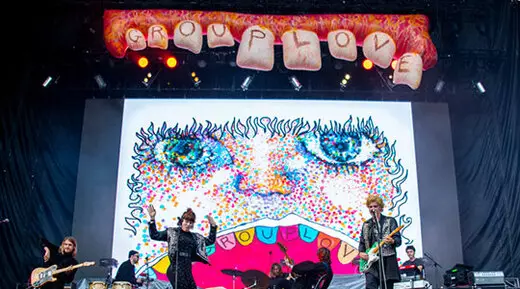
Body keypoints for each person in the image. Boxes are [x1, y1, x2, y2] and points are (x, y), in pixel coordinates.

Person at [147, 205, 217, 289]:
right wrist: (152, 219)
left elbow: (210, 241)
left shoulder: (195, 237)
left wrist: (213, 226)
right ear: (182, 221)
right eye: (186, 221)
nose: (188, 224)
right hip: (175, 268)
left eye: (190, 222)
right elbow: (155, 235)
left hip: (187, 269)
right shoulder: (172, 232)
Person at [358, 194, 402, 289]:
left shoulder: (390, 221)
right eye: (370, 207)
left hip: (387, 261)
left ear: (381, 208)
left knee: (387, 286)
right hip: (371, 262)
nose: (372, 208)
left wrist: (392, 240)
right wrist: (361, 252)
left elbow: (398, 241)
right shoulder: (366, 224)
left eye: (375, 206)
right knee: (370, 285)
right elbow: (362, 242)